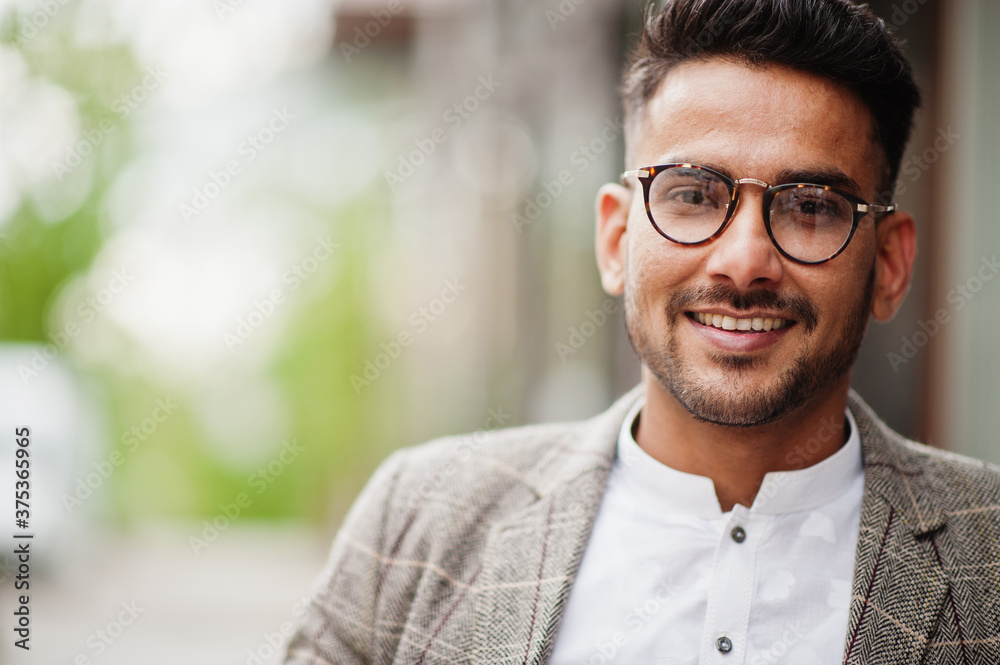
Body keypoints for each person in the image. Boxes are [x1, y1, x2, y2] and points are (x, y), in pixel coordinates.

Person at [284, 1, 1000, 663]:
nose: (744, 261)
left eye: (810, 205)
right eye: (693, 195)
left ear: (890, 265)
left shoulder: (988, 551)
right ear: (615, 239)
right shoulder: (419, 524)